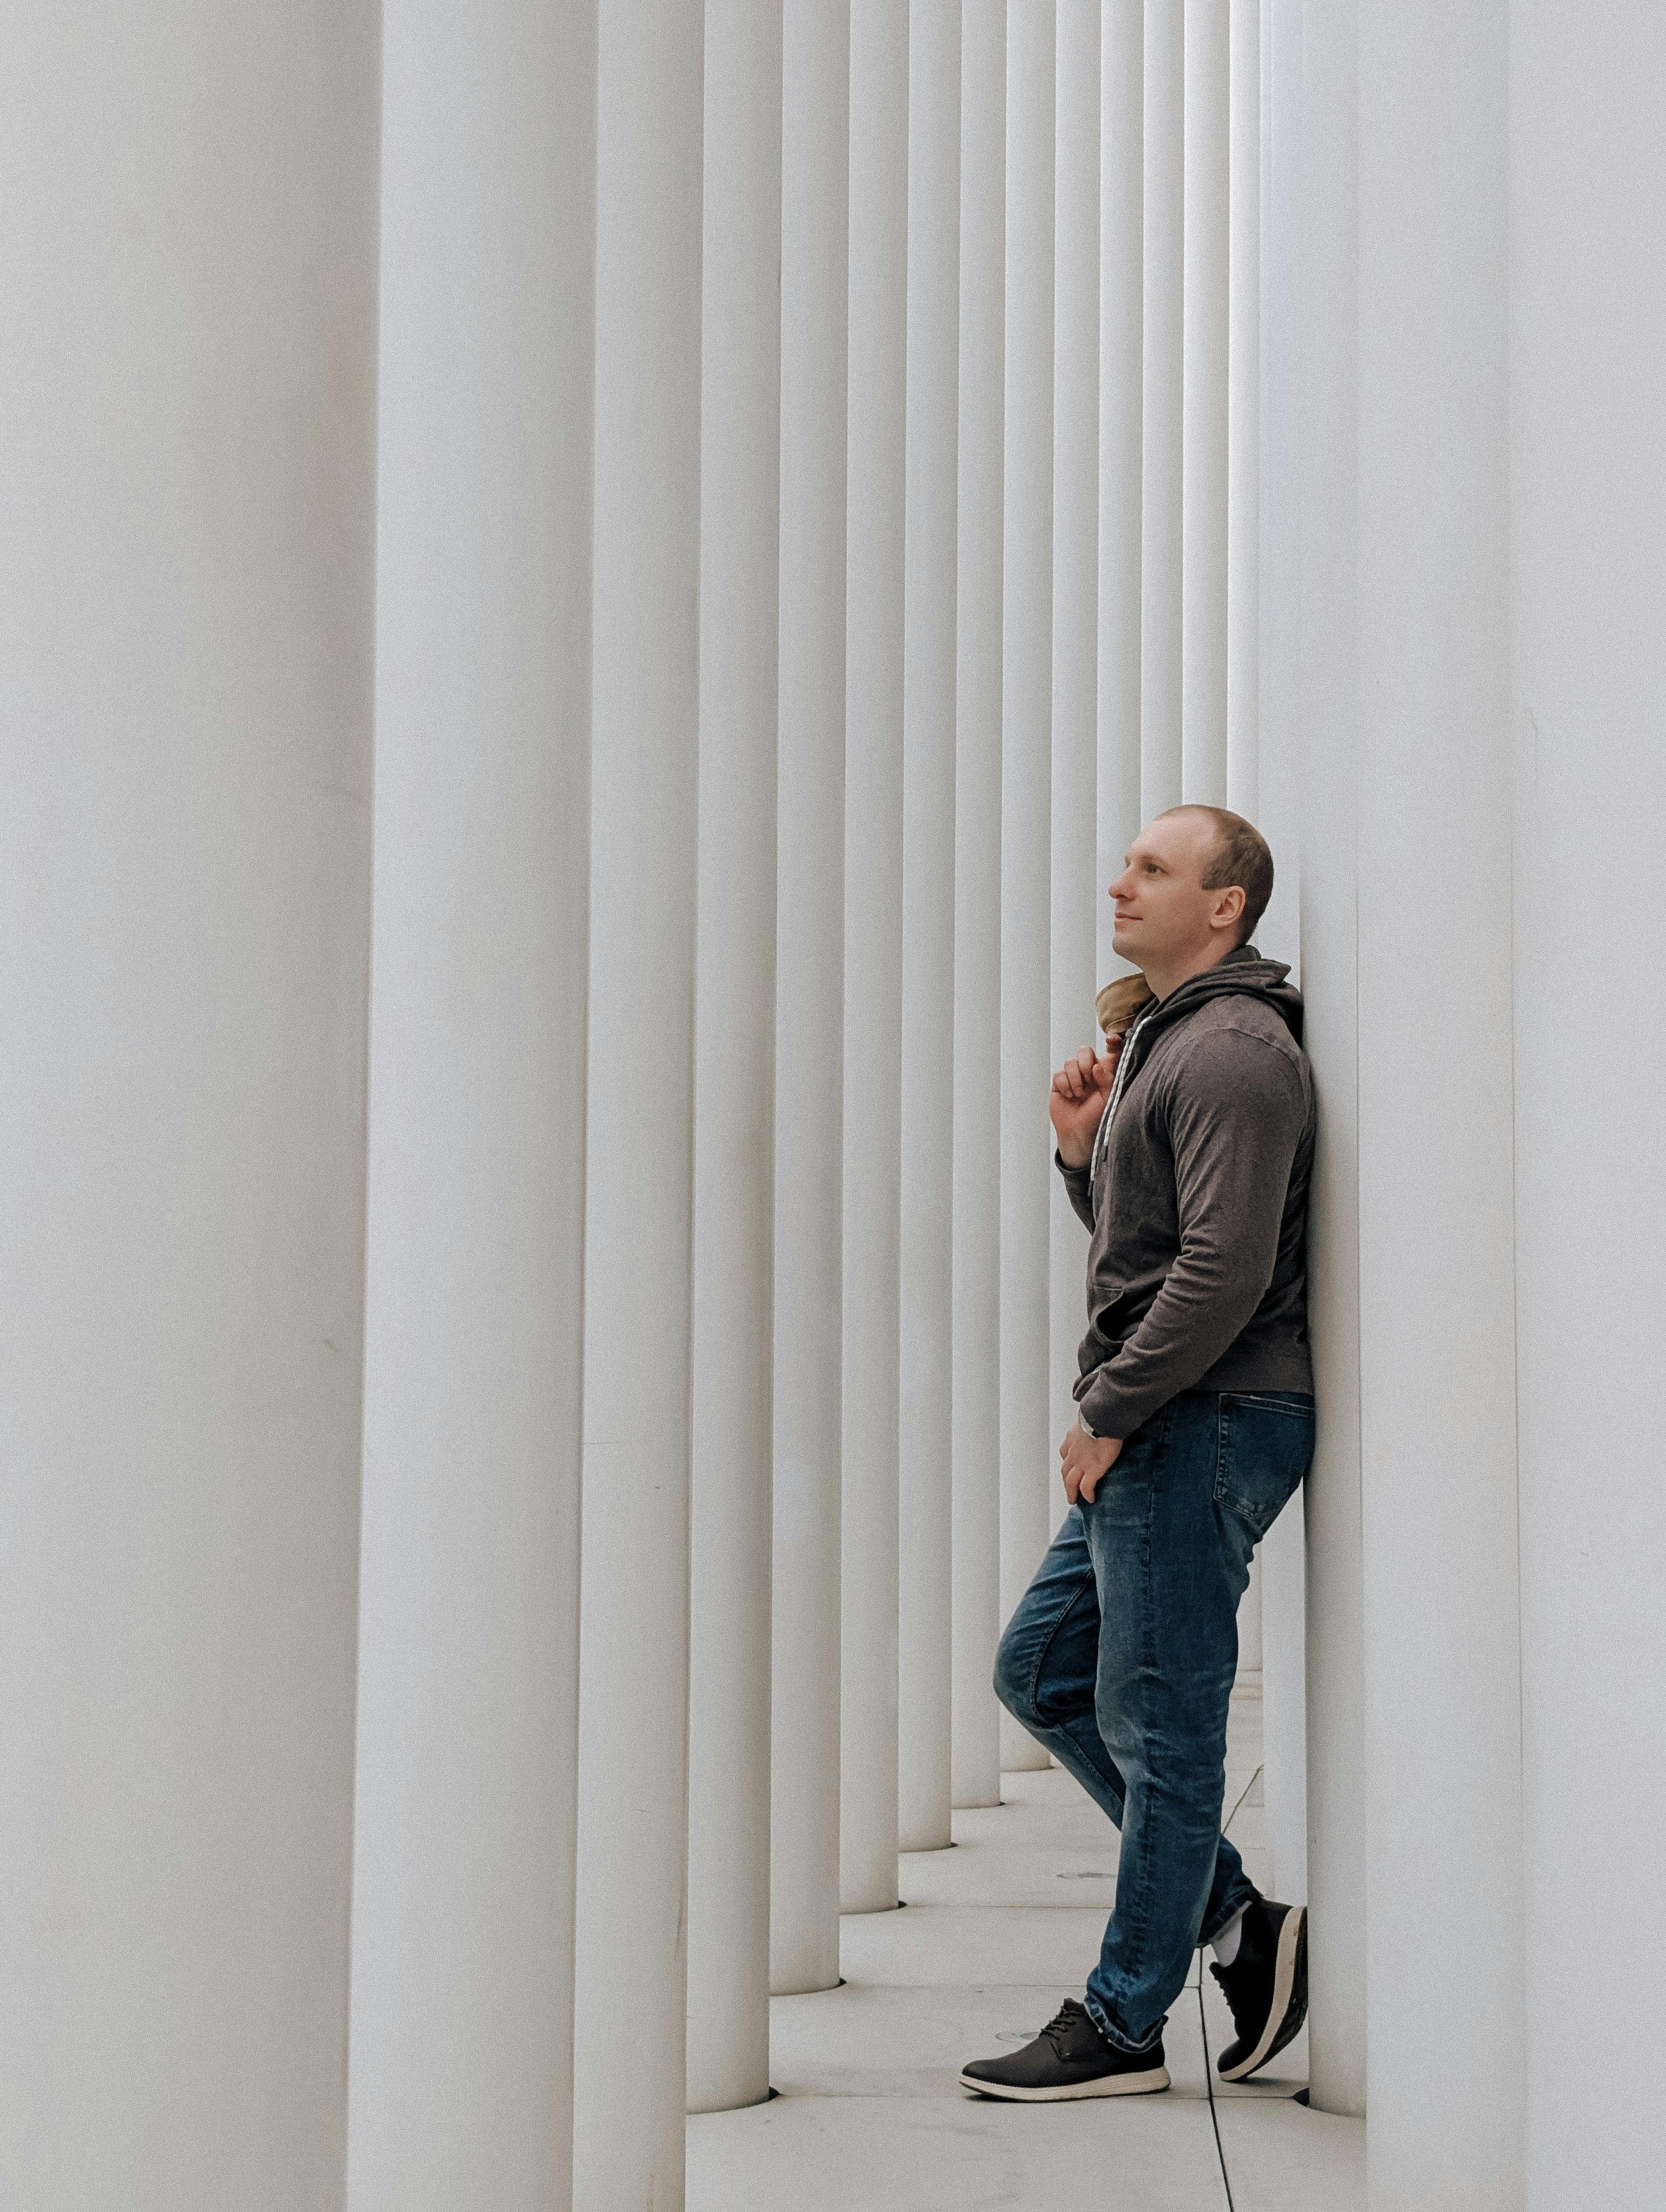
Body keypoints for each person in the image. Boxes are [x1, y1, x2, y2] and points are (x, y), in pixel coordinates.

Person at [959, 805, 1316, 2103]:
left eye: (1154, 869)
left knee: (1164, 1736)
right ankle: (1245, 1927)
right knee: (1043, 1673)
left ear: (1224, 906)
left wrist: (1109, 1409)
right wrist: (1079, 1150)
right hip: (1175, 1414)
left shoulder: (1230, 1051)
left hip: (1201, 1416)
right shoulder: (1173, 1042)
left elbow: (1222, 1274)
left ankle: (1121, 2024)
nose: (1120, 882)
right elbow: (1149, 1245)